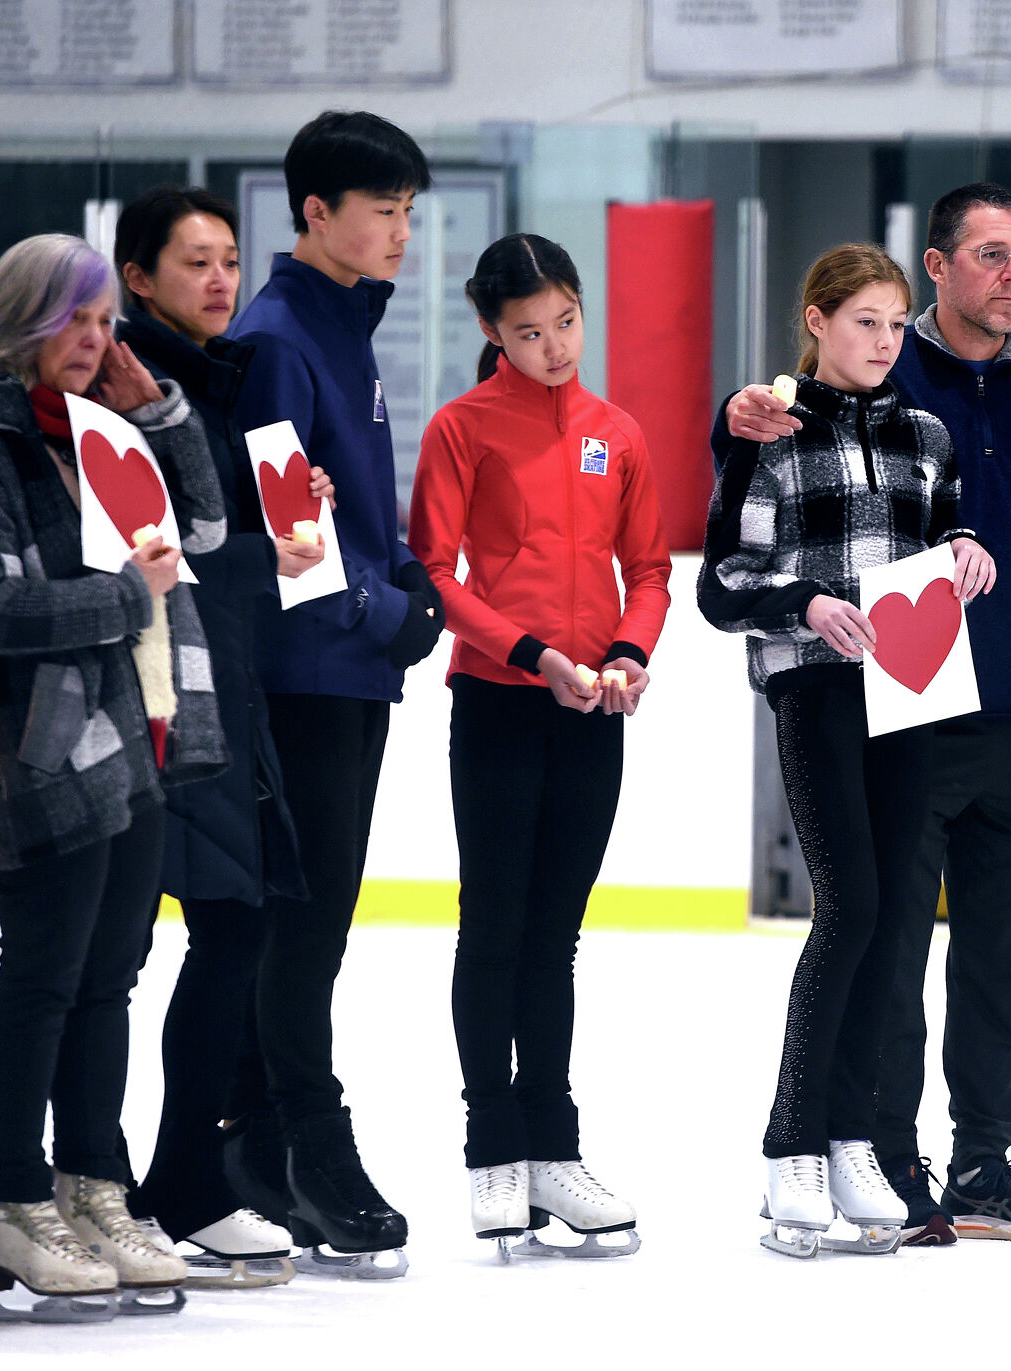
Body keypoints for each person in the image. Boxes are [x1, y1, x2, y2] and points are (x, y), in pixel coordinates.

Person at [719, 183, 1011, 1245]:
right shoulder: (848, 389)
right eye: (988, 253)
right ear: (936, 266)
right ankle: (868, 1153)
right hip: (893, 710)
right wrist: (735, 420)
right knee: (874, 940)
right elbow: (759, 447)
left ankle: (973, 1160)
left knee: (989, 963)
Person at [0, 233, 229, 1318]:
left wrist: (162, 416)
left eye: (103, 322)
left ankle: (93, 1185)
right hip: (36, 745)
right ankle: (12, 1200)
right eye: (73, 319)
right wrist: (127, 598)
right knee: (44, 978)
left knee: (109, 981)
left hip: (132, 731)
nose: (92, 340)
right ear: (20, 319)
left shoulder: (104, 426)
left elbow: (199, 529)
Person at [700, 242, 996, 1258]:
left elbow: (945, 533)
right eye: (861, 320)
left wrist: (966, 551)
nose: (881, 340)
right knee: (852, 904)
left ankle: (852, 1142)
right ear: (816, 322)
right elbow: (719, 584)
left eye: (893, 322)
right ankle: (792, 1145)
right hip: (815, 686)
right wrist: (806, 597)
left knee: (897, 915)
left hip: (913, 688)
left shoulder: (926, 434)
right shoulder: (769, 438)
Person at [410, 233, 669, 1252]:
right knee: (496, 926)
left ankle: (554, 1152)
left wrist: (627, 651)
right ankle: (492, 1152)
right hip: (500, 701)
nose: (555, 346)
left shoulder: (619, 433)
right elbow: (433, 571)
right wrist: (528, 654)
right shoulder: (460, 430)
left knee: (555, 936)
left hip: (593, 707)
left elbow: (647, 568)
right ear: (491, 330)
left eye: (566, 322)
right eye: (529, 332)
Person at [223, 109, 444, 1277]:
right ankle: (307, 1145)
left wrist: (407, 583)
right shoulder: (276, 337)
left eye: (410, 210)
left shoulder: (341, 325)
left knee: (317, 921)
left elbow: (353, 506)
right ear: (316, 211)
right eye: (382, 210)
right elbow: (285, 529)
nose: (402, 231)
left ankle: (261, 1150)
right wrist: (385, 610)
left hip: (351, 668)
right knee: (302, 928)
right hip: (307, 673)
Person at [111, 185, 333, 1287]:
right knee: (124, 953)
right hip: (150, 696)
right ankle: (111, 1185)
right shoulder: (135, 395)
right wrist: (264, 551)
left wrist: (293, 520)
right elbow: (152, 551)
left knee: (232, 934)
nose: (219, 280)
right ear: (136, 278)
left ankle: (174, 1183)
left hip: (221, 690)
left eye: (229, 260)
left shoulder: (217, 378)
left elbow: (222, 540)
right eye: (192, 262)